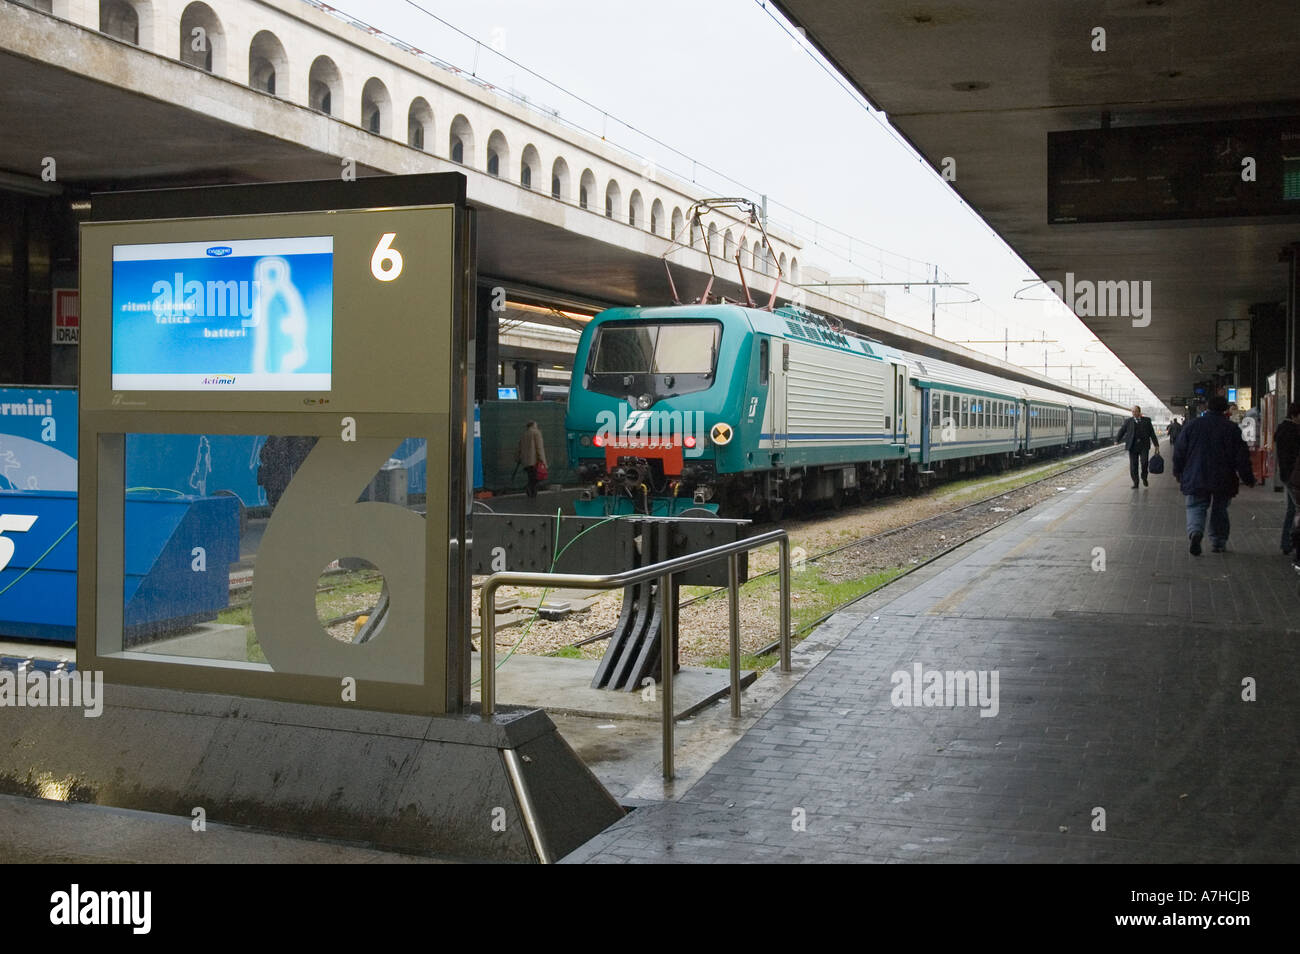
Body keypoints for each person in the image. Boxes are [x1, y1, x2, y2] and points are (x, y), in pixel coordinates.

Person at [1172, 394, 1256, 555]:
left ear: (1207, 407)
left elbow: (1179, 451)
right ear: (1225, 410)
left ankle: (1196, 532)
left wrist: (1178, 471)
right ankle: (1218, 542)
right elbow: (1241, 457)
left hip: (1196, 474)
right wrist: (1248, 478)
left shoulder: (1192, 425)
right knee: (1220, 509)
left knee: (1195, 506)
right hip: (1223, 477)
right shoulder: (1231, 429)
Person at [1116, 405, 1160, 488]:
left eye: (1136, 411)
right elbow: (1122, 430)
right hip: (1132, 446)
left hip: (1144, 446)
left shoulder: (1147, 420)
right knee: (1133, 465)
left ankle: (1144, 477)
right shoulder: (1128, 421)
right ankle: (1135, 482)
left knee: (1144, 462)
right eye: (1133, 411)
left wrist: (1156, 445)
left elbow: (1152, 433)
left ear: (1139, 412)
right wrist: (1117, 440)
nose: (1134, 413)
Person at [1277, 402, 1300, 556]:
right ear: (1294, 415)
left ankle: (1287, 542)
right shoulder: (1294, 431)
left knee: (1292, 509)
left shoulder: (1282, 429)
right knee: (1296, 509)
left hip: (1287, 475)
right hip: (1295, 477)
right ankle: (1290, 541)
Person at [516, 420, 547, 498]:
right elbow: (539, 448)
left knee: (531, 477)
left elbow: (519, 447)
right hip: (535, 461)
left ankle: (531, 492)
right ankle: (531, 490)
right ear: (533, 425)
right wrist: (543, 460)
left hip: (526, 461)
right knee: (536, 478)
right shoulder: (537, 433)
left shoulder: (524, 434)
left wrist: (518, 458)